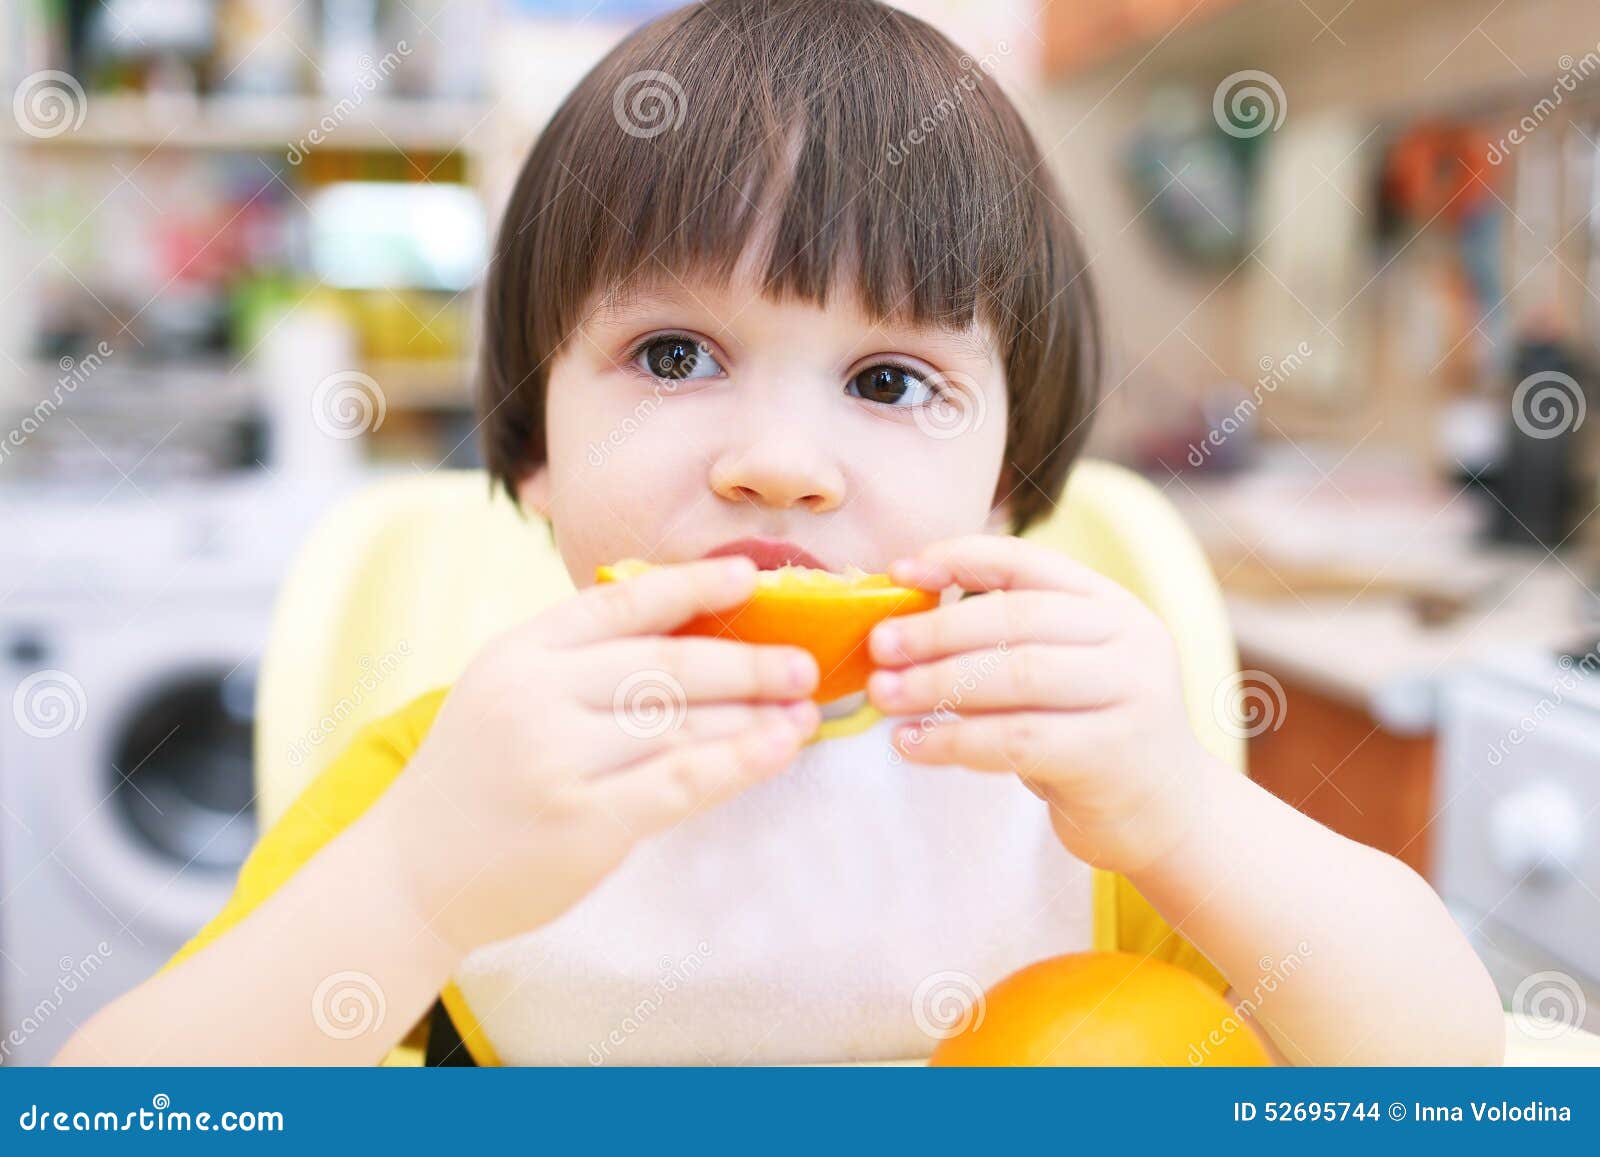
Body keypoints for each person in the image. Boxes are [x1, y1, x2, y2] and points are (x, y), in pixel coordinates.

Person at [55, 0, 1503, 1066]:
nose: (777, 465)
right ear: (535, 445)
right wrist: (417, 882)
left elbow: (1446, 1077)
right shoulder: (449, 779)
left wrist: (1189, 810)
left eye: (887, 381)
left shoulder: (1076, 789)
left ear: (1004, 482)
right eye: (676, 355)